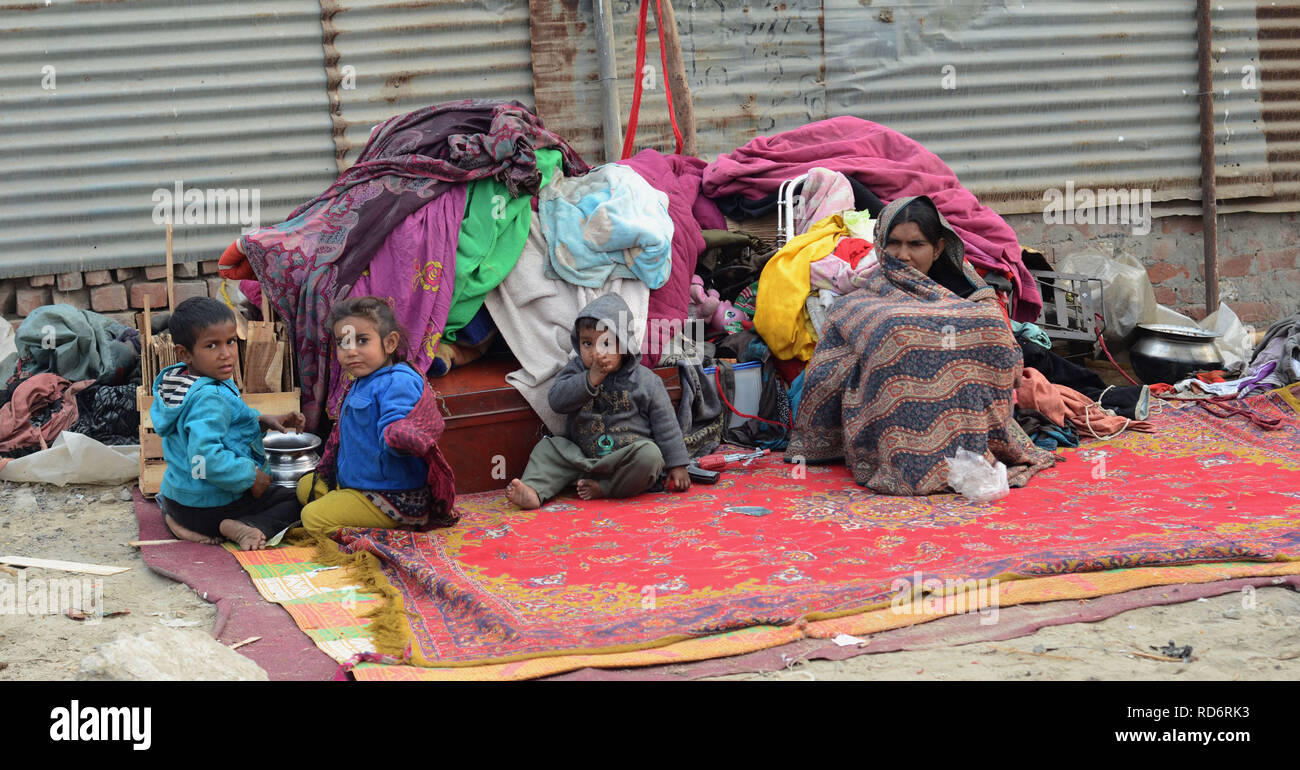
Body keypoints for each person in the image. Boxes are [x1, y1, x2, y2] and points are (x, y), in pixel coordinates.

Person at [786, 195, 1056, 495]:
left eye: (916, 245)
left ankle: (972, 449)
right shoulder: (860, 303)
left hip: (975, 438)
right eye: (894, 244)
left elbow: (1003, 348)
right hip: (892, 448)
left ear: (938, 248)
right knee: (897, 332)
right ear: (880, 244)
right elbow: (830, 370)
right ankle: (909, 460)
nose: (903, 255)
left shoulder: (971, 296)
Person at [505, 294, 692, 509]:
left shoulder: (647, 381)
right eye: (587, 343)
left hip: (624, 462)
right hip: (580, 459)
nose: (595, 353)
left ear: (624, 344)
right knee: (549, 448)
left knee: (650, 456)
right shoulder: (576, 370)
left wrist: (677, 465)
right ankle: (534, 490)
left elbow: (666, 427)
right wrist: (589, 379)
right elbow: (556, 401)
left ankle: (606, 488)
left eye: (606, 343)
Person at [151, 297, 306, 550]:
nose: (226, 354)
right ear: (185, 353)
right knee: (296, 502)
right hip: (212, 506)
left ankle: (174, 520)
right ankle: (242, 527)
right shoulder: (209, 398)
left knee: (180, 499)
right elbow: (204, 459)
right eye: (212, 345)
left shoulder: (181, 382)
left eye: (231, 341)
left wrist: (262, 420)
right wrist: (250, 477)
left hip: (179, 499)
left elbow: (226, 424)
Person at [297, 297, 457, 534]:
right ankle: (346, 501)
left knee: (311, 517)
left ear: (390, 342)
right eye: (343, 343)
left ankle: (389, 527)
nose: (351, 351)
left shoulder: (399, 381)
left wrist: (399, 437)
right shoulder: (363, 380)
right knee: (304, 486)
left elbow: (398, 424)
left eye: (362, 341)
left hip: (388, 495)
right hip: (359, 482)